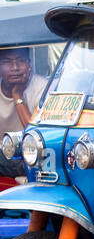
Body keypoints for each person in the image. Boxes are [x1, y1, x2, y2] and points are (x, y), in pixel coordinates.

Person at [0, 47, 48, 177]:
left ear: (29, 65)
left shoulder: (42, 87)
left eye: (21, 60)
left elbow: (37, 136)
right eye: (7, 62)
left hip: (34, 155)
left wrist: (17, 96)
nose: (15, 67)